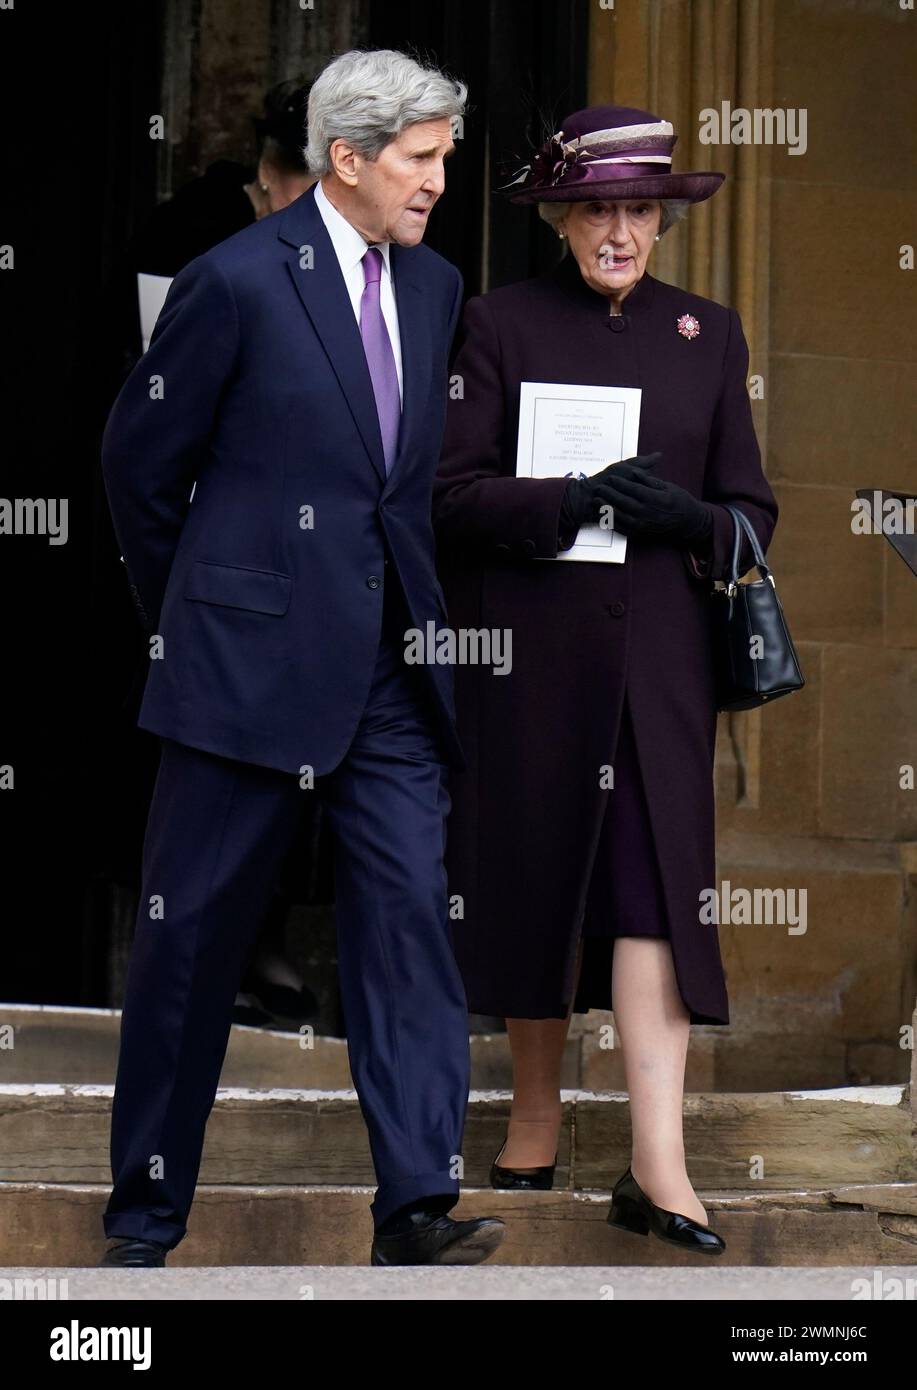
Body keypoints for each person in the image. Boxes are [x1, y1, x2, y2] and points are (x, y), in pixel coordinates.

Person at [99, 48, 505, 1269]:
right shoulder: (232, 282)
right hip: (240, 672)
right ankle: (144, 1220)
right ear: (349, 159)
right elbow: (137, 470)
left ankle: (414, 1204)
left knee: (404, 929)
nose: (441, 180)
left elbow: (400, 489)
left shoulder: (434, 290)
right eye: (422, 159)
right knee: (191, 945)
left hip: (388, 674)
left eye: (443, 156)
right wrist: (207, 616)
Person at [433, 105, 778, 1255]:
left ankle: (657, 1163)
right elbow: (448, 494)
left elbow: (751, 512)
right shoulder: (498, 324)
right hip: (530, 650)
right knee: (538, 869)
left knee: (649, 893)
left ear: (661, 222)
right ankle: (531, 1121)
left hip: (663, 661)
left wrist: (694, 519)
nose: (618, 231)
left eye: (638, 210)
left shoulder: (709, 333)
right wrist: (568, 500)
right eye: (597, 210)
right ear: (562, 219)